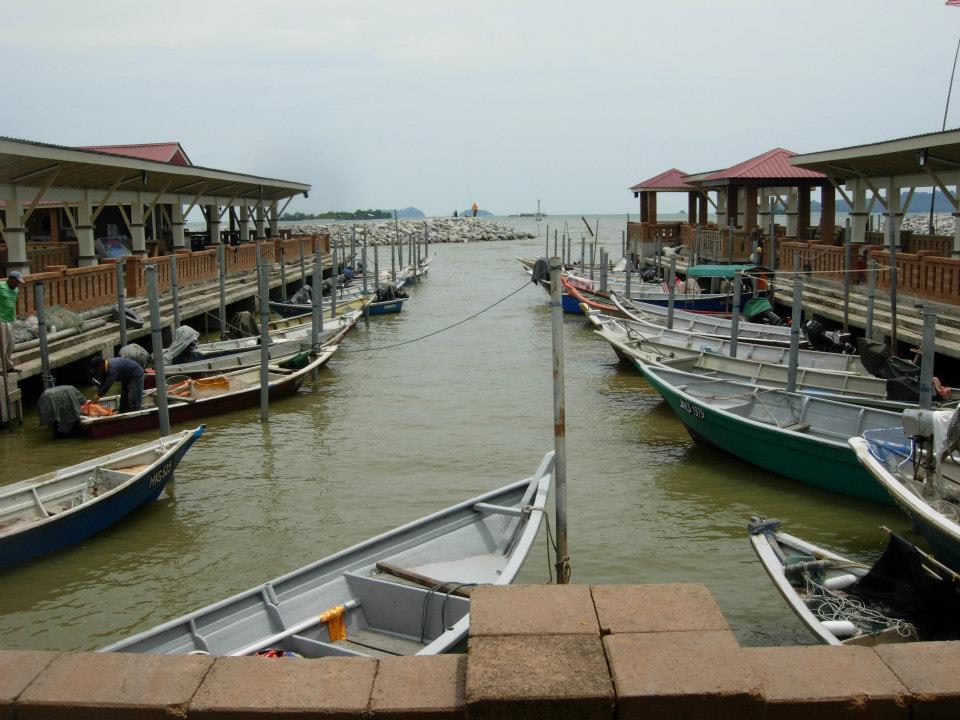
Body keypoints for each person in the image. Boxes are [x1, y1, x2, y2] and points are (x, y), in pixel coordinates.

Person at [0, 271, 22, 373]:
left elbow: (13, 304)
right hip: (1, 319)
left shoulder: (16, 290)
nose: (18, 284)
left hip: (11, 320)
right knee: (2, 344)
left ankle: (8, 366)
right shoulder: (1, 286)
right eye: (17, 282)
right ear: (11, 279)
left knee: (10, 344)